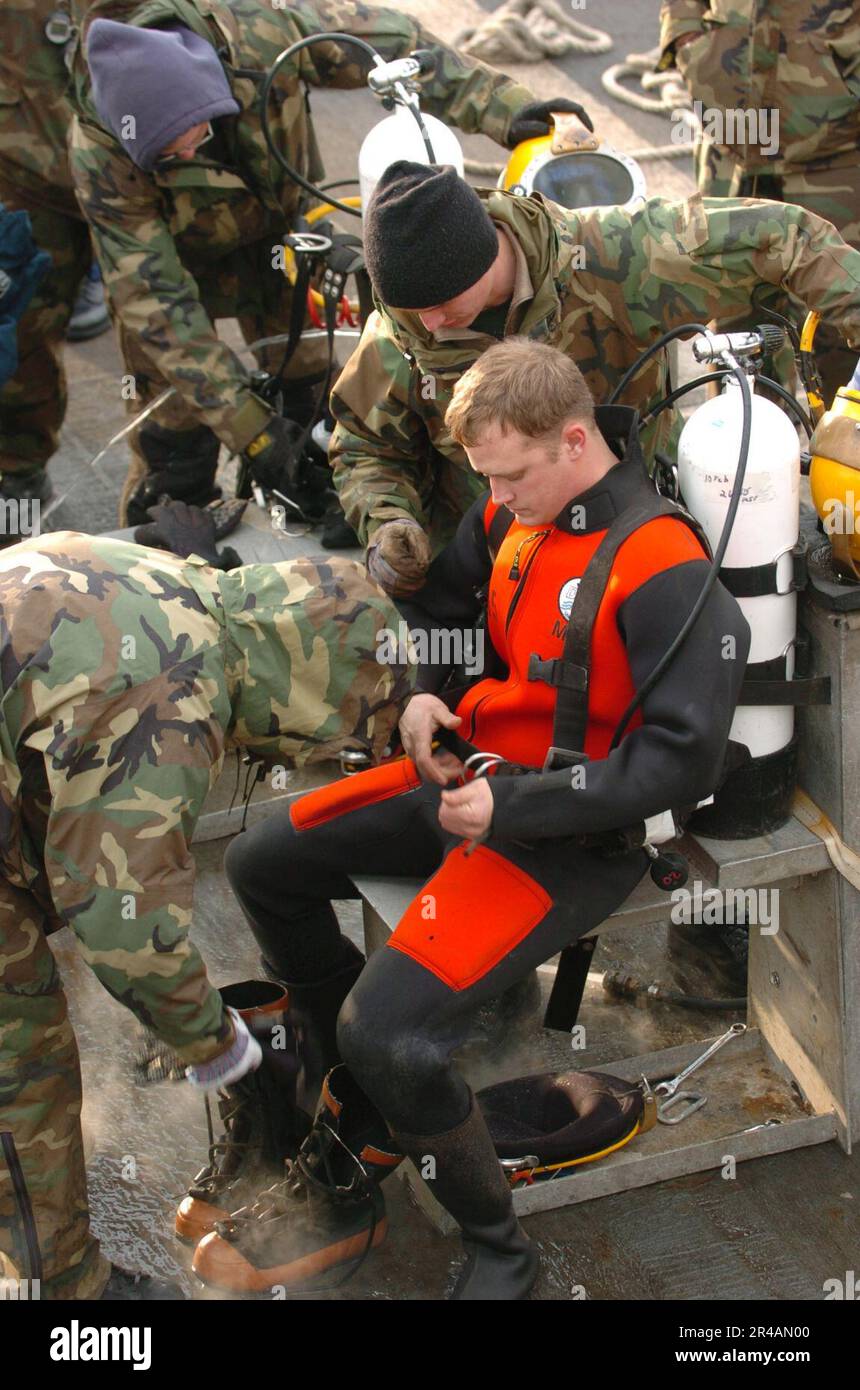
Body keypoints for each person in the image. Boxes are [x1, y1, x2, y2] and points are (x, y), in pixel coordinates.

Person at [202, 338, 751, 1300]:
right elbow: (450, 602)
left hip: (574, 834)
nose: (494, 498)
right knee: (260, 862)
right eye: (485, 478)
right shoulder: (516, 504)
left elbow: (680, 759)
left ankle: (501, 1248)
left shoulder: (660, 562)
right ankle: (355, 1111)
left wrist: (517, 805)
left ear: (574, 439)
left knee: (393, 1031)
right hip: (469, 779)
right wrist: (424, 692)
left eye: (508, 475)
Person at [0, 527, 411, 1300]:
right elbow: (123, 927)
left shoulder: (178, 585)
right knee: (21, 1064)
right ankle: (63, 1299)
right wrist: (218, 1050)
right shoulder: (174, 698)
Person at [66, 0, 588, 530]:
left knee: (316, 398)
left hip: (283, 242)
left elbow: (396, 47)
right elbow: (157, 305)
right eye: (169, 159)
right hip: (172, 267)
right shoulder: (102, 154)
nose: (188, 159)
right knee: (175, 441)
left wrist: (508, 109)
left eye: (197, 139)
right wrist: (254, 434)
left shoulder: (266, 33)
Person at [329, 159, 860, 597]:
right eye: (409, 310)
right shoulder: (399, 335)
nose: (428, 324)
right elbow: (365, 446)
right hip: (491, 570)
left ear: (486, 255)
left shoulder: (617, 256)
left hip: (635, 537)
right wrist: (389, 524)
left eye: (440, 305)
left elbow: (786, 239)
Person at [658, 0, 860, 399]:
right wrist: (689, 42)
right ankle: (747, 453)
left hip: (838, 166)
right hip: (731, 159)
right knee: (734, 338)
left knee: (842, 332)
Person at [0, 0, 108, 535]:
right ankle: (19, 472)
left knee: (157, 335)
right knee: (22, 334)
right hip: (22, 174)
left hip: (134, 165)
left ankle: (174, 479)